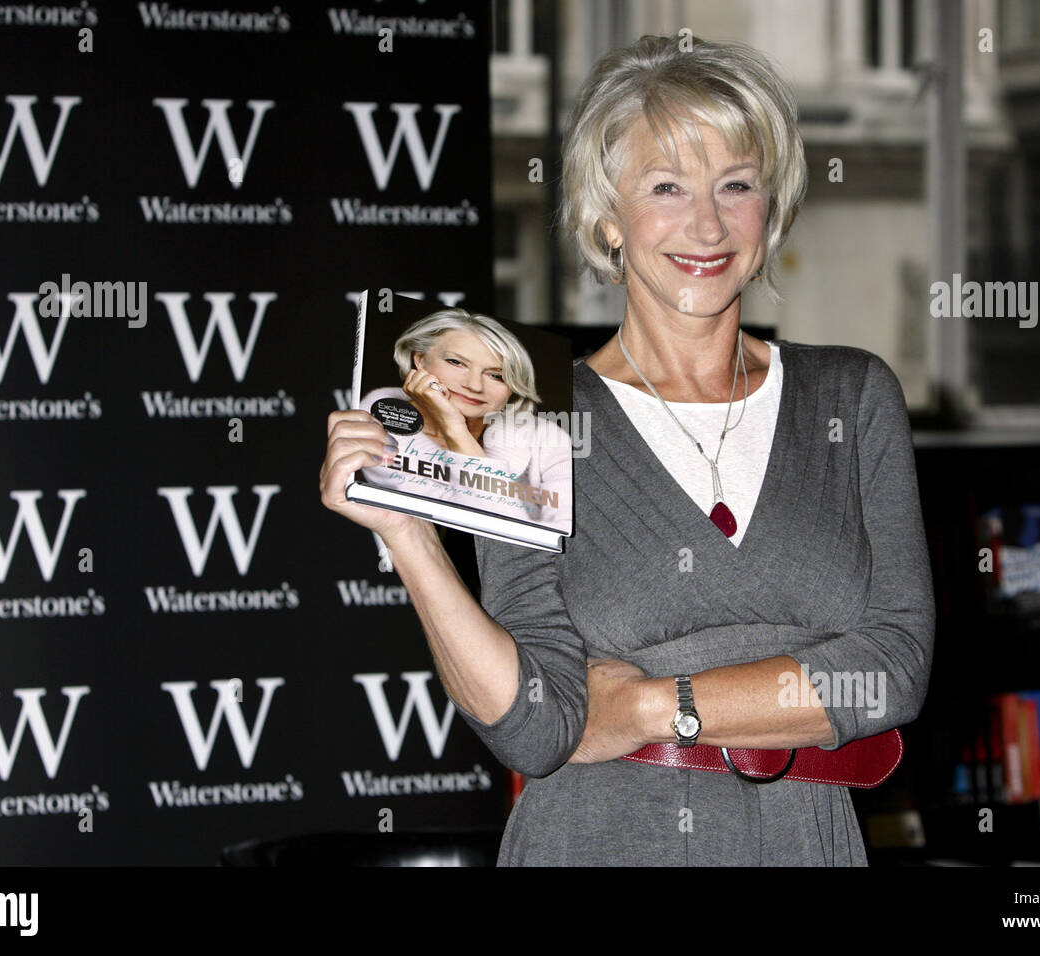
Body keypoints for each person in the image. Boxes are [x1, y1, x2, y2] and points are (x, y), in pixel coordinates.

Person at [320, 34, 934, 865]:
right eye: (666, 187)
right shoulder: (533, 419)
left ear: (772, 206)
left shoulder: (851, 396)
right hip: (596, 839)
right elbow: (534, 727)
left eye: (736, 185)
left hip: (803, 840)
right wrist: (409, 536)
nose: (707, 224)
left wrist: (650, 708)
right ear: (608, 216)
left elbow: (895, 668)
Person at [358, 308, 572, 529]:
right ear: (420, 360)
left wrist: (453, 427)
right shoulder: (379, 437)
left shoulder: (544, 436)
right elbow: (492, 524)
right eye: (456, 362)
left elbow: (568, 534)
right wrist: (454, 427)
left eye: (496, 375)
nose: (474, 386)